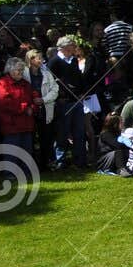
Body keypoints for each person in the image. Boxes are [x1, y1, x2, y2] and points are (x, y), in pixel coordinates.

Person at [49, 36, 91, 170]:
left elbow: (79, 78)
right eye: (72, 45)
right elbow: (50, 82)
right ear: (65, 47)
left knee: (79, 131)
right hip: (63, 102)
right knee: (63, 132)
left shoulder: (73, 60)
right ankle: (60, 161)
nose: (74, 47)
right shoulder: (54, 62)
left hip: (77, 101)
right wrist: (58, 97)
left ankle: (79, 161)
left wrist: (83, 92)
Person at [0, 56, 37, 162]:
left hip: (26, 124)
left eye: (22, 70)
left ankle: (27, 173)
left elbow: (33, 98)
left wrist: (32, 107)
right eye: (18, 70)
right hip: (11, 124)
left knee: (27, 151)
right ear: (10, 69)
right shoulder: (2, 83)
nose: (21, 72)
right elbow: (4, 103)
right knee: (12, 152)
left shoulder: (26, 84)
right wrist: (24, 108)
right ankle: (10, 175)